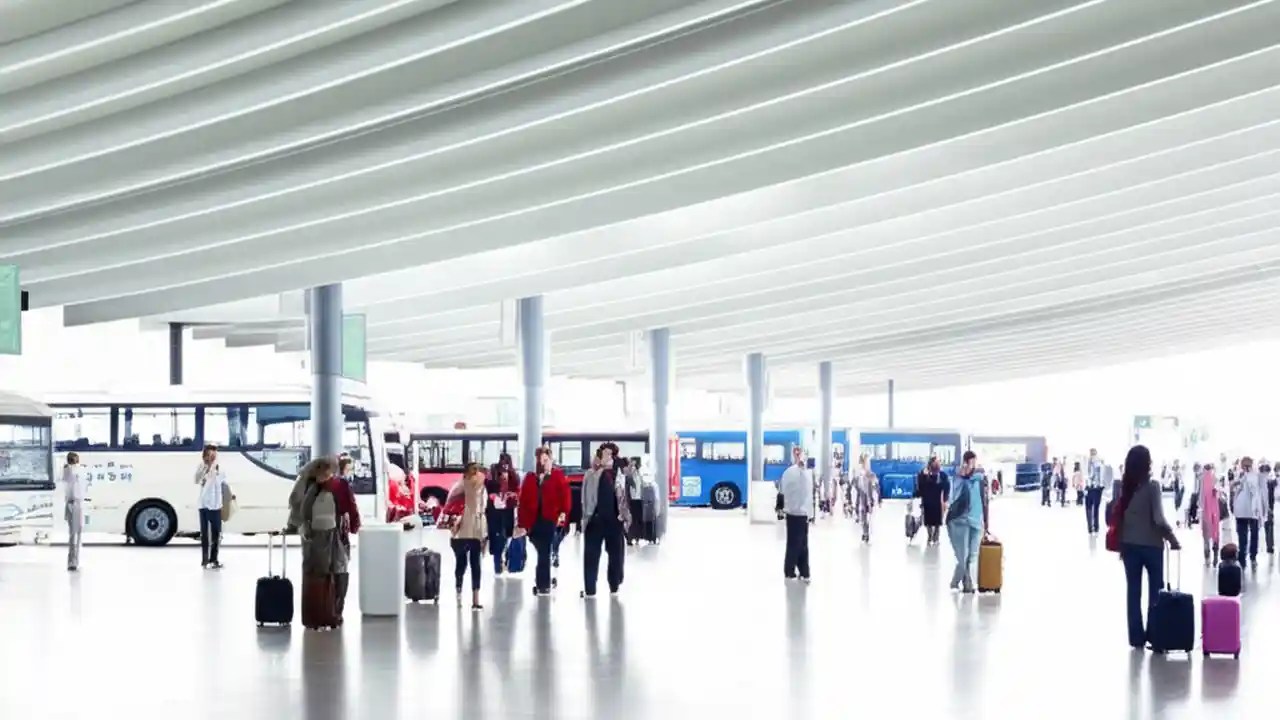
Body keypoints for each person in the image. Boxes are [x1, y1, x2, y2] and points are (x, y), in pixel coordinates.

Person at [1114, 445, 1180, 650]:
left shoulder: (1121, 486)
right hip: (1152, 546)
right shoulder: (1152, 486)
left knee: (1133, 592)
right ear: (1147, 463)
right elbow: (1158, 518)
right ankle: (1156, 635)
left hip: (1129, 545)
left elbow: (1116, 515)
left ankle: (1136, 638)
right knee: (1156, 592)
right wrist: (1172, 538)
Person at [516, 447, 570, 596]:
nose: (543, 463)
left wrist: (563, 514)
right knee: (541, 551)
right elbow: (523, 501)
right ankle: (542, 581)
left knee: (544, 552)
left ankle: (543, 584)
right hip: (533, 521)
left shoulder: (557, 476)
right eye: (540, 460)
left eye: (546, 460)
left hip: (549, 519)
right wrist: (521, 523)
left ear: (551, 460)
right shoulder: (530, 477)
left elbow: (565, 497)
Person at [580, 442, 631, 598]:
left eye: (612, 455)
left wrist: (625, 518)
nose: (609, 457)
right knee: (591, 556)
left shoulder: (619, 475)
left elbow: (626, 496)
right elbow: (585, 496)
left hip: (614, 521)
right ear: (600, 456)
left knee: (616, 555)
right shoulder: (591, 474)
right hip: (594, 520)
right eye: (606, 454)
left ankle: (614, 585)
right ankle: (590, 589)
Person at [297, 456, 343, 630]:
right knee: (321, 575)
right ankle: (321, 615)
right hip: (319, 537)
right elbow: (305, 513)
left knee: (324, 575)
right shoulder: (315, 489)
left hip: (326, 536)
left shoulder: (322, 489)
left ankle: (322, 615)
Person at [945, 451, 989, 593]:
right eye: (971, 462)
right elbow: (953, 497)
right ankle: (967, 584)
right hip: (959, 520)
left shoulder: (980, 478)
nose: (973, 465)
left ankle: (958, 582)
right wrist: (963, 476)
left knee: (972, 555)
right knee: (962, 556)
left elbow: (984, 500)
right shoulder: (957, 478)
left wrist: (986, 521)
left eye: (974, 462)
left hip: (976, 520)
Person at [450, 463, 488, 610]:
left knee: (463, 563)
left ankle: (460, 590)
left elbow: (449, 505)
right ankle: (475, 599)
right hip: (472, 530)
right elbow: (484, 509)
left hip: (462, 531)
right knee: (475, 564)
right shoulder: (478, 487)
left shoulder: (459, 487)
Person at [331, 455, 362, 624]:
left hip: (327, 529)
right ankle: (337, 609)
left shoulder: (327, 483)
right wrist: (355, 526)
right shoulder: (342, 484)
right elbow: (351, 506)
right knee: (342, 564)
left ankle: (329, 607)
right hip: (340, 528)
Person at [779, 445, 814, 583]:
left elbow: (783, 491)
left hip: (798, 513)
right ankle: (791, 571)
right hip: (797, 513)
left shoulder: (796, 472)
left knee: (801, 544)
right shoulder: (798, 473)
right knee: (797, 544)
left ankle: (802, 571)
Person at [486, 452, 521, 576]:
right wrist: (493, 496)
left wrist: (512, 495)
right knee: (497, 537)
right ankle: (497, 563)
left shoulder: (514, 476)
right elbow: (488, 489)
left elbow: (517, 490)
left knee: (506, 535)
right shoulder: (493, 474)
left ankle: (504, 560)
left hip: (508, 510)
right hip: (495, 511)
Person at [1230, 455, 1266, 571]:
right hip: (1251, 511)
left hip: (1242, 511)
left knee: (1243, 536)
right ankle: (1252, 558)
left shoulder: (1243, 477)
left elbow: (1235, 492)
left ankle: (1242, 559)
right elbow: (1256, 494)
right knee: (1253, 535)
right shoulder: (1252, 477)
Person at [194, 444, 226, 569]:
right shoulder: (201, 467)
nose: (211, 458)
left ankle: (214, 559)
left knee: (216, 533)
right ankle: (205, 560)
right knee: (205, 534)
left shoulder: (219, 468)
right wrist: (204, 470)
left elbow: (220, 481)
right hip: (203, 504)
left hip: (215, 505)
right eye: (209, 455)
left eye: (214, 455)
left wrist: (214, 470)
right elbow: (196, 480)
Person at [915, 456, 950, 546]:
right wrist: (924, 476)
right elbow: (920, 487)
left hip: (938, 500)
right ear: (931, 464)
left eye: (938, 462)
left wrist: (945, 499)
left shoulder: (942, 475)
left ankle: (936, 537)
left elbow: (946, 487)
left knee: (938, 521)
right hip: (927, 500)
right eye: (936, 462)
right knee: (928, 521)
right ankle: (930, 536)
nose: (938, 464)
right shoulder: (924, 474)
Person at [1194, 466, 1221, 566]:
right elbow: (1219, 493)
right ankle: (1215, 552)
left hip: (1205, 510)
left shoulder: (1201, 479)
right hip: (1215, 509)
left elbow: (1199, 495)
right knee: (1215, 531)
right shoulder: (1215, 478)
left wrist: (1199, 507)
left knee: (1206, 533)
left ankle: (1207, 551)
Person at [62, 452, 85, 571]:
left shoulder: (75, 471)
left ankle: (75, 560)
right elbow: (70, 472)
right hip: (73, 503)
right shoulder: (69, 471)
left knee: (78, 532)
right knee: (74, 534)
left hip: (78, 503)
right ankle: (72, 562)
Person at [854, 455, 878, 543]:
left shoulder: (870, 474)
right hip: (862, 497)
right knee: (863, 515)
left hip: (868, 497)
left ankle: (866, 533)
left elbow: (875, 486)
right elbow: (858, 487)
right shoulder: (860, 474)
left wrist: (874, 499)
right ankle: (865, 533)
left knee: (867, 516)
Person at [1084, 451, 1106, 535]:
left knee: (1089, 508)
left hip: (1090, 488)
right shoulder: (1100, 463)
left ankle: (1090, 527)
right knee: (1096, 508)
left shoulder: (1090, 462)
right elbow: (1102, 476)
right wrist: (1101, 486)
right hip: (1097, 489)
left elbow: (1089, 475)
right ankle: (1096, 527)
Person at [624, 458, 644, 546]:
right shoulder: (628, 477)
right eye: (632, 466)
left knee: (638, 519)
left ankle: (637, 537)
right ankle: (630, 537)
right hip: (632, 500)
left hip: (639, 499)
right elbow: (627, 490)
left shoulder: (639, 476)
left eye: (635, 466)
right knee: (632, 520)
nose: (634, 468)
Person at [1265, 462, 1277, 554]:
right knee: (1269, 526)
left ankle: (1269, 546)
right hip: (1270, 507)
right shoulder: (1271, 482)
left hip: (1270, 507)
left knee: (1269, 526)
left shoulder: (1271, 482)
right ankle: (1270, 546)